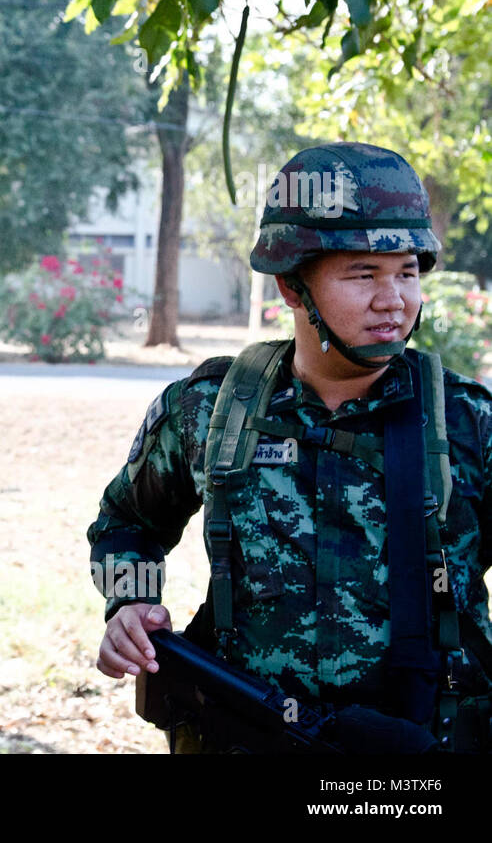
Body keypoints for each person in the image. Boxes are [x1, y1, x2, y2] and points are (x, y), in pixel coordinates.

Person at [89, 141, 492, 752]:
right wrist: (131, 604)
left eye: (407, 271)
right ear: (292, 286)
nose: (394, 300)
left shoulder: (468, 425)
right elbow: (128, 520)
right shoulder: (208, 410)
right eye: (364, 274)